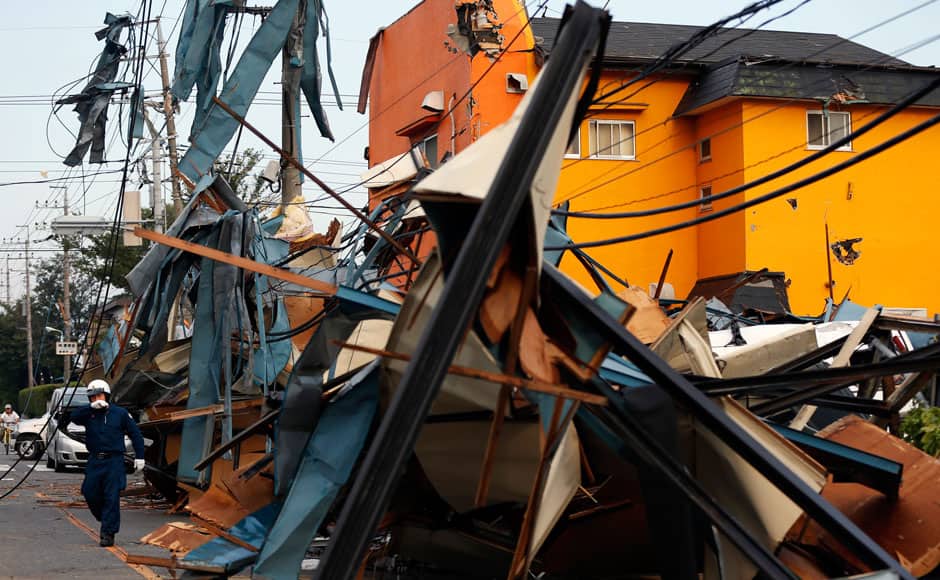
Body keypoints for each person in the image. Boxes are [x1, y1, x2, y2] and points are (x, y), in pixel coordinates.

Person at [59, 379, 145, 547]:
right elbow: (72, 417)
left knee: (111, 497)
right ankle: (105, 517)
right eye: (92, 397)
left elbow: (135, 434)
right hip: (95, 460)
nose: (96, 399)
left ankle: (108, 533)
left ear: (106, 395)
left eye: (99, 396)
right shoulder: (88, 414)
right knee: (89, 492)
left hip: (114, 461)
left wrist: (140, 456)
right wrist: (90, 408)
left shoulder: (120, 413)